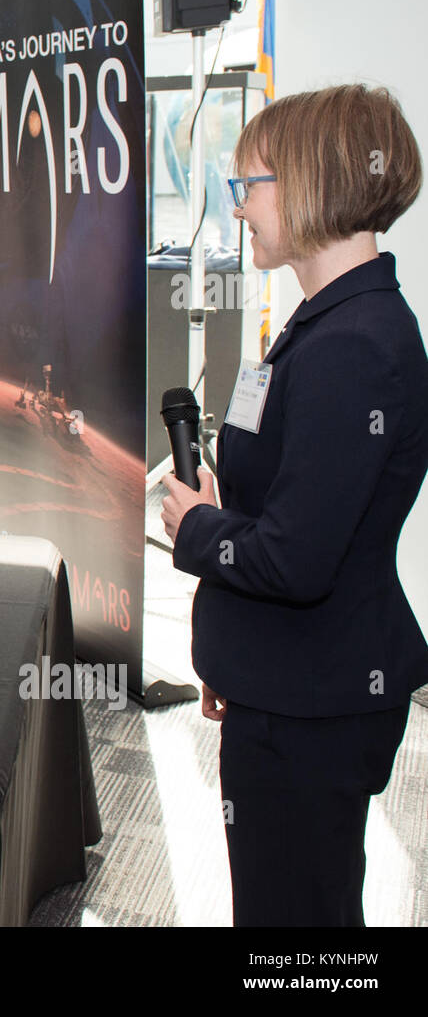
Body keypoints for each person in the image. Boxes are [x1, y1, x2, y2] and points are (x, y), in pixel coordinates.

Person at [161, 84, 428, 926]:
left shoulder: (353, 347)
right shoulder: (323, 321)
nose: (237, 208)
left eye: (250, 185)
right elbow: (284, 508)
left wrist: (193, 527)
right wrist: (236, 664)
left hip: (315, 703)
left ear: (313, 181)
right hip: (285, 681)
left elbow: (296, 559)